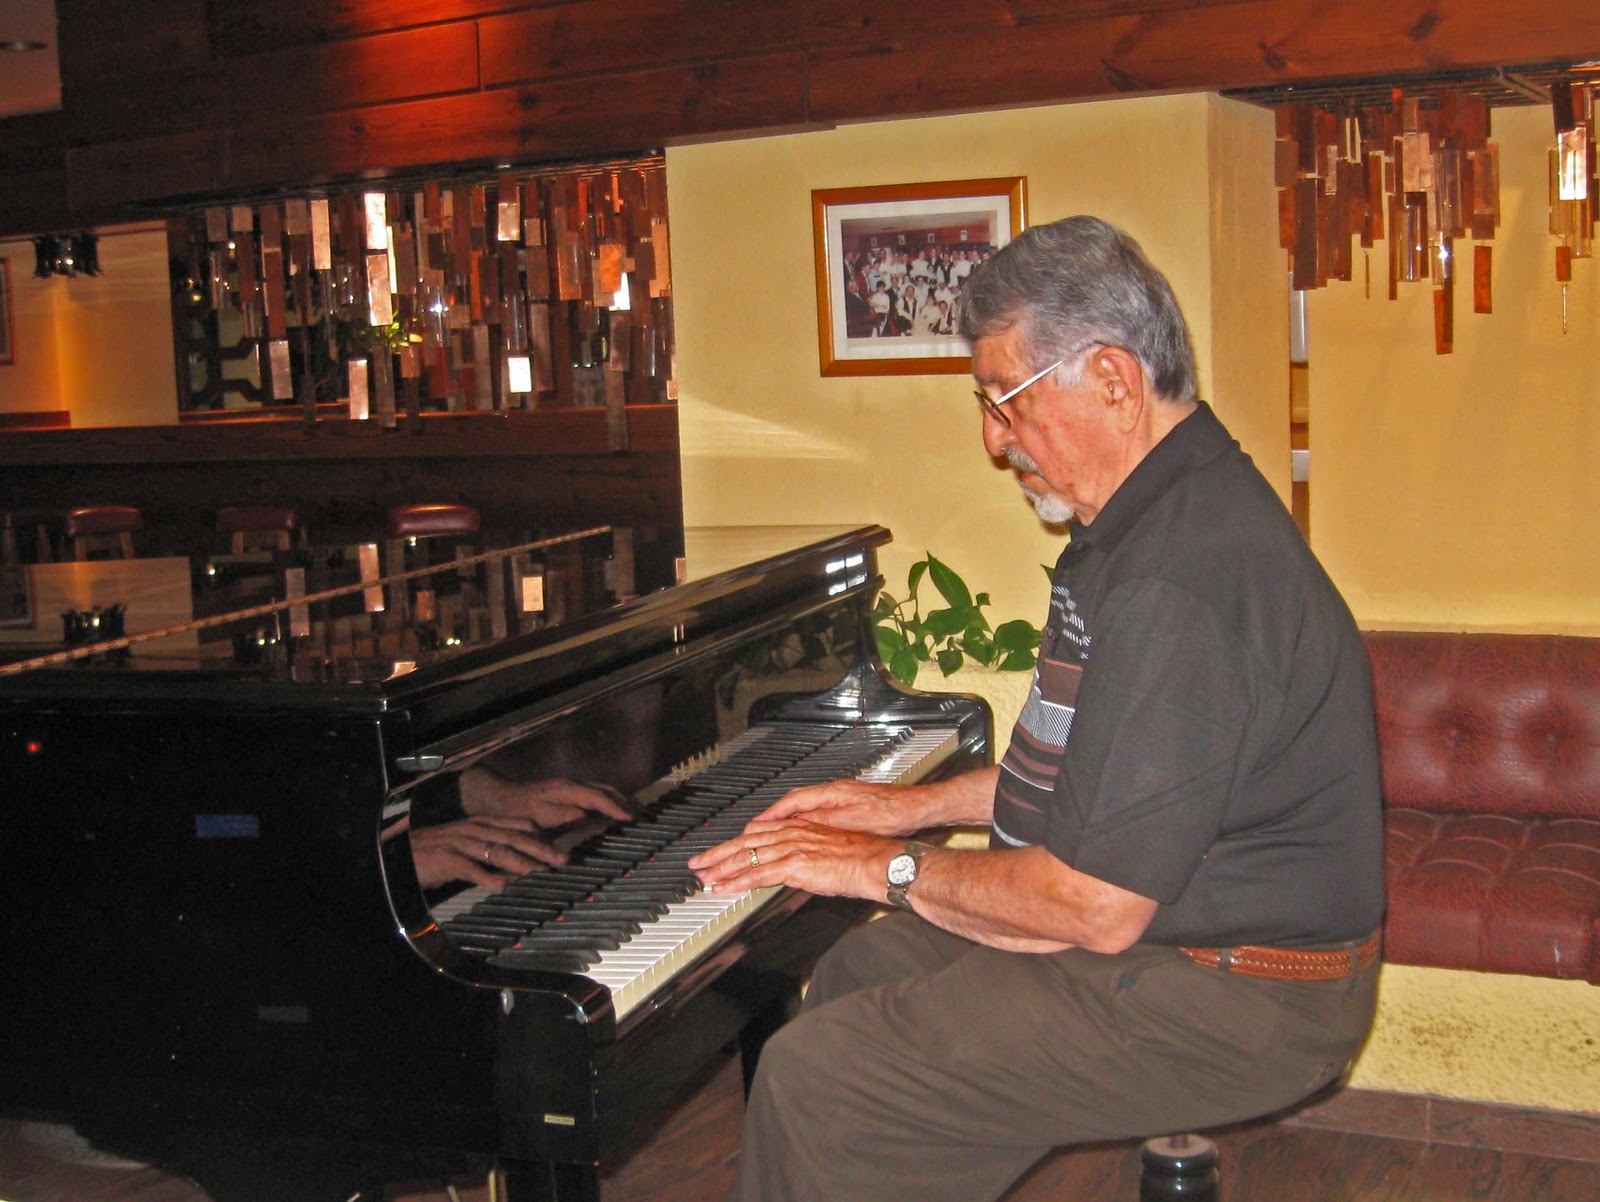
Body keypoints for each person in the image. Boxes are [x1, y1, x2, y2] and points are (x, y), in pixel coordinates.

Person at [689, 215, 1385, 1202]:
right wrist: (912, 807)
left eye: (1004, 400)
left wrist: (877, 863)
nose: (990, 437)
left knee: (823, 1078)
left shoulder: (1183, 580)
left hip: (1239, 988)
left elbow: (1092, 903)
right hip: (1173, 933)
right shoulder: (1160, 515)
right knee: (861, 978)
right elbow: (1111, 774)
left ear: (1111, 380)